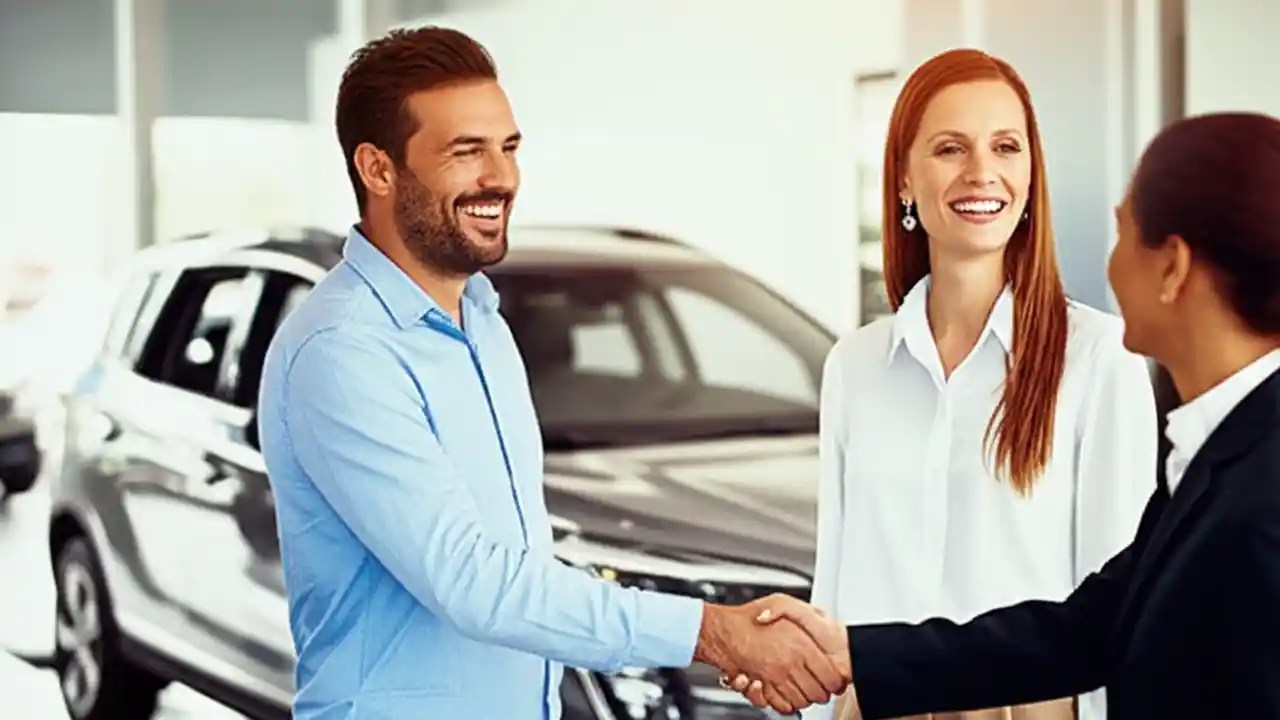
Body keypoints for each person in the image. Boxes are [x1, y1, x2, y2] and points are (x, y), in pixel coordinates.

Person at [256, 25, 848, 719]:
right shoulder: (342, 351)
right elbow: (473, 582)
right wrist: (714, 632)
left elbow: (523, 569)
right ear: (378, 169)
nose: (500, 178)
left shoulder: (484, 325)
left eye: (507, 148)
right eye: (465, 151)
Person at [738, 110, 1280, 719]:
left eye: (1123, 235)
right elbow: (1089, 628)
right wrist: (853, 656)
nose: (1109, 265)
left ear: (1173, 267)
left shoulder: (1259, 494)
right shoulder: (1215, 456)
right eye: (949, 148)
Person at [775, 48, 1159, 720]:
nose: (983, 172)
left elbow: (1122, 611)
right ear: (903, 179)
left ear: (1030, 172)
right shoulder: (855, 365)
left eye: (1006, 147)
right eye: (950, 148)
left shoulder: (1101, 359)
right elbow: (832, 582)